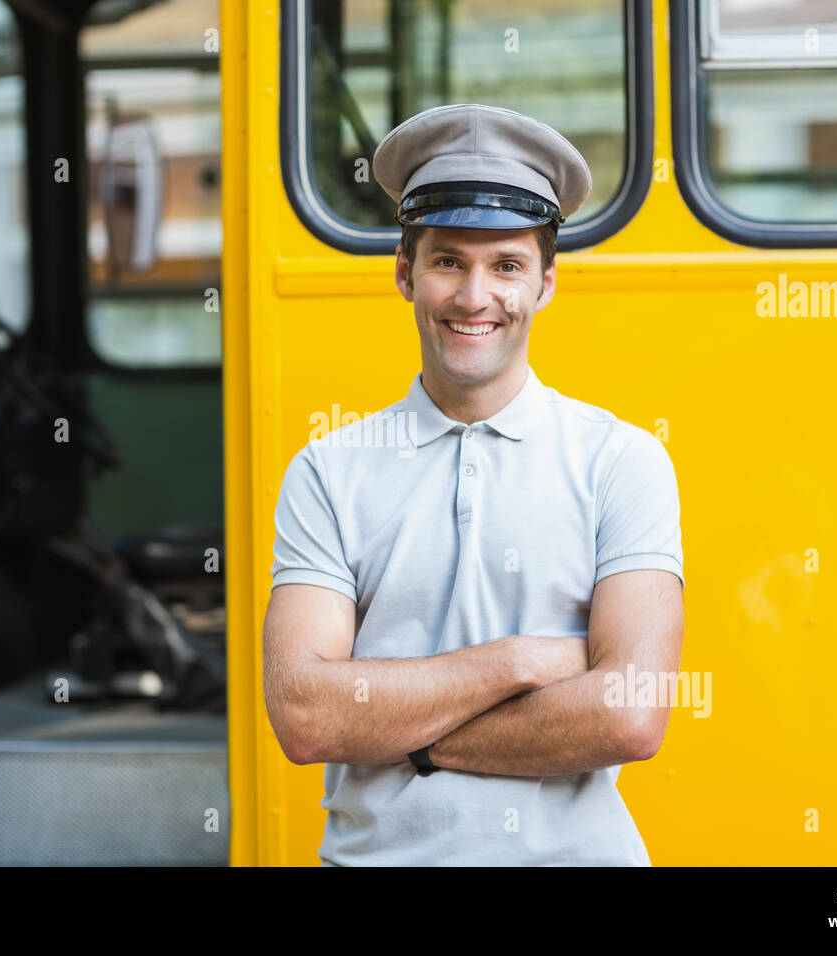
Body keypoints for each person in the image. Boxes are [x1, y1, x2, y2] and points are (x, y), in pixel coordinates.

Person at [263, 103, 685, 866]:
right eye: (449, 261)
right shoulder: (326, 471)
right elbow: (306, 717)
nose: (474, 297)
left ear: (546, 283)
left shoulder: (623, 459)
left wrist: (413, 743)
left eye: (507, 266)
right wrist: (521, 663)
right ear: (405, 272)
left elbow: (629, 715)